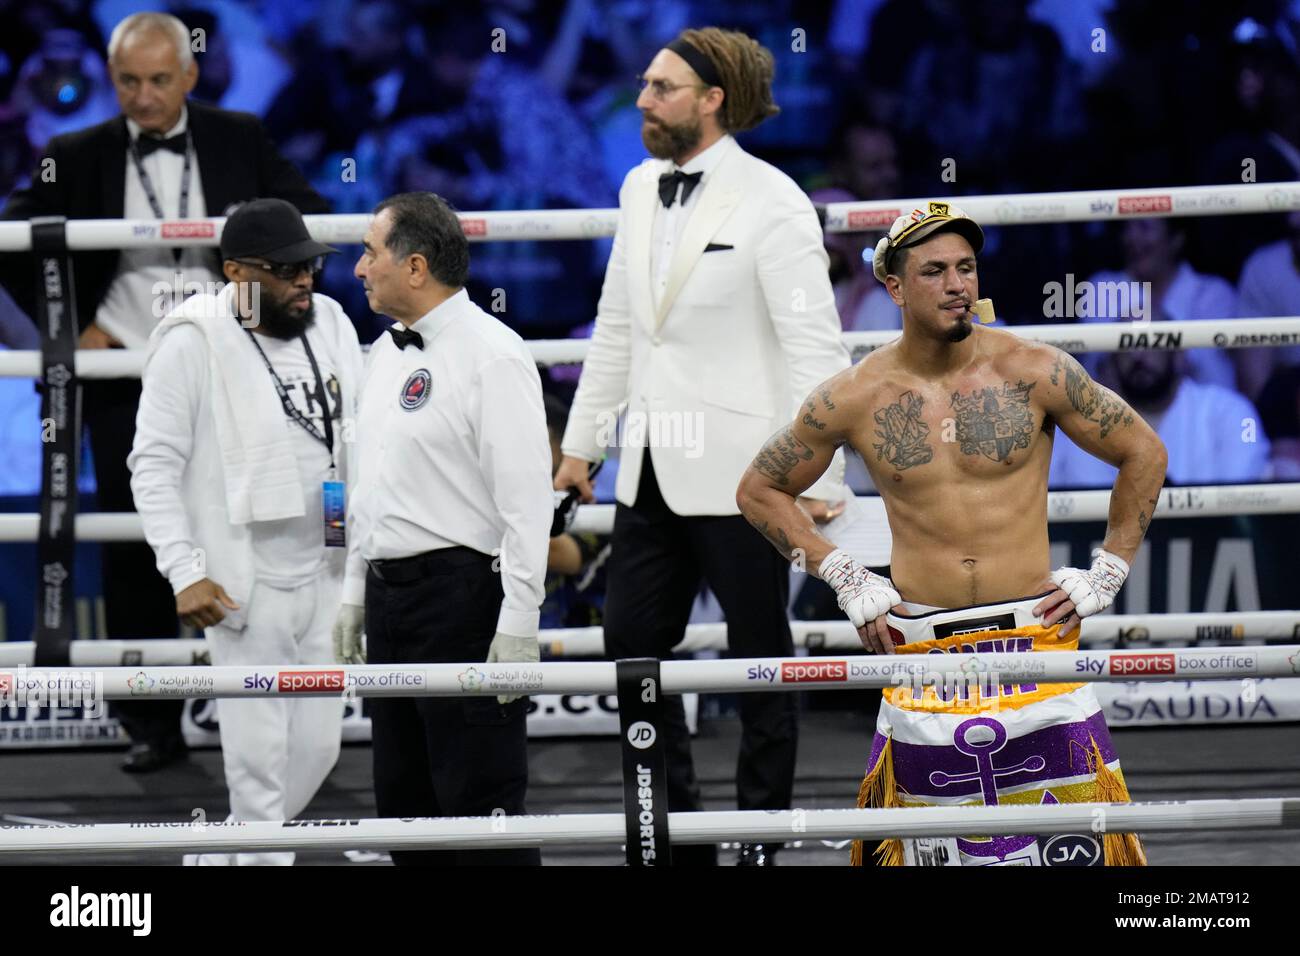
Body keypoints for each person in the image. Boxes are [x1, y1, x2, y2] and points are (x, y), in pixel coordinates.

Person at [737, 202, 1167, 867]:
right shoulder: (854, 394)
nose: (956, 284)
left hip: (1037, 637)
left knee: (1074, 847)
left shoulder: (1035, 370)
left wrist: (1109, 569)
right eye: (934, 271)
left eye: (965, 268)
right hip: (922, 649)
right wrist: (842, 574)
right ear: (896, 288)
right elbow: (758, 490)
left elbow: (1144, 451)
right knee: (935, 853)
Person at [0, 11, 328, 773]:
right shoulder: (74, 153)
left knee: (251, 529)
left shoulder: (238, 136)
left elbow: (308, 216)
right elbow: (13, 239)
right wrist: (70, 327)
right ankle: (149, 722)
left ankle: (265, 704)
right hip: (126, 378)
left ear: (189, 75)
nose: (143, 98)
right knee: (138, 542)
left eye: (157, 80)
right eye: (127, 82)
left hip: (235, 363)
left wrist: (265, 299)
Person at [553, 27, 850, 866]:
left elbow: (816, 350)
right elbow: (618, 327)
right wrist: (582, 447)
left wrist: (814, 470)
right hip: (647, 468)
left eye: (661, 87)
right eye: (645, 85)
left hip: (749, 477)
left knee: (763, 667)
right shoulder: (640, 187)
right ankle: (667, 836)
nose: (642, 101)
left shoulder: (776, 200)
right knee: (630, 651)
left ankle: (760, 842)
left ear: (713, 99)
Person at [128, 198, 361, 864]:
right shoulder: (191, 339)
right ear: (234, 271)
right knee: (259, 772)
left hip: (330, 568)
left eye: (309, 267)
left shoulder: (334, 323)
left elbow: (362, 437)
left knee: (317, 752)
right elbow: (153, 464)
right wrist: (185, 569)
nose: (303, 282)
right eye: (285, 271)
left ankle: (224, 856)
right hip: (244, 583)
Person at [333, 192, 551, 866]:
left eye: (372, 252)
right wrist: (352, 590)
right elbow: (364, 484)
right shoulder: (382, 353)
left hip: (463, 598)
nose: (361, 267)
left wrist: (518, 621)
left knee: (479, 802)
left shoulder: (495, 355)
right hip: (389, 596)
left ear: (417, 265)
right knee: (403, 804)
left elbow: (526, 503)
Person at [1050, 349, 1270, 487]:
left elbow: (1241, 503)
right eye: (1127, 347)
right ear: (1112, 361)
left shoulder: (1230, 411)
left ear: (1179, 355)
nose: (1138, 356)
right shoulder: (1078, 424)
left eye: (1151, 344)